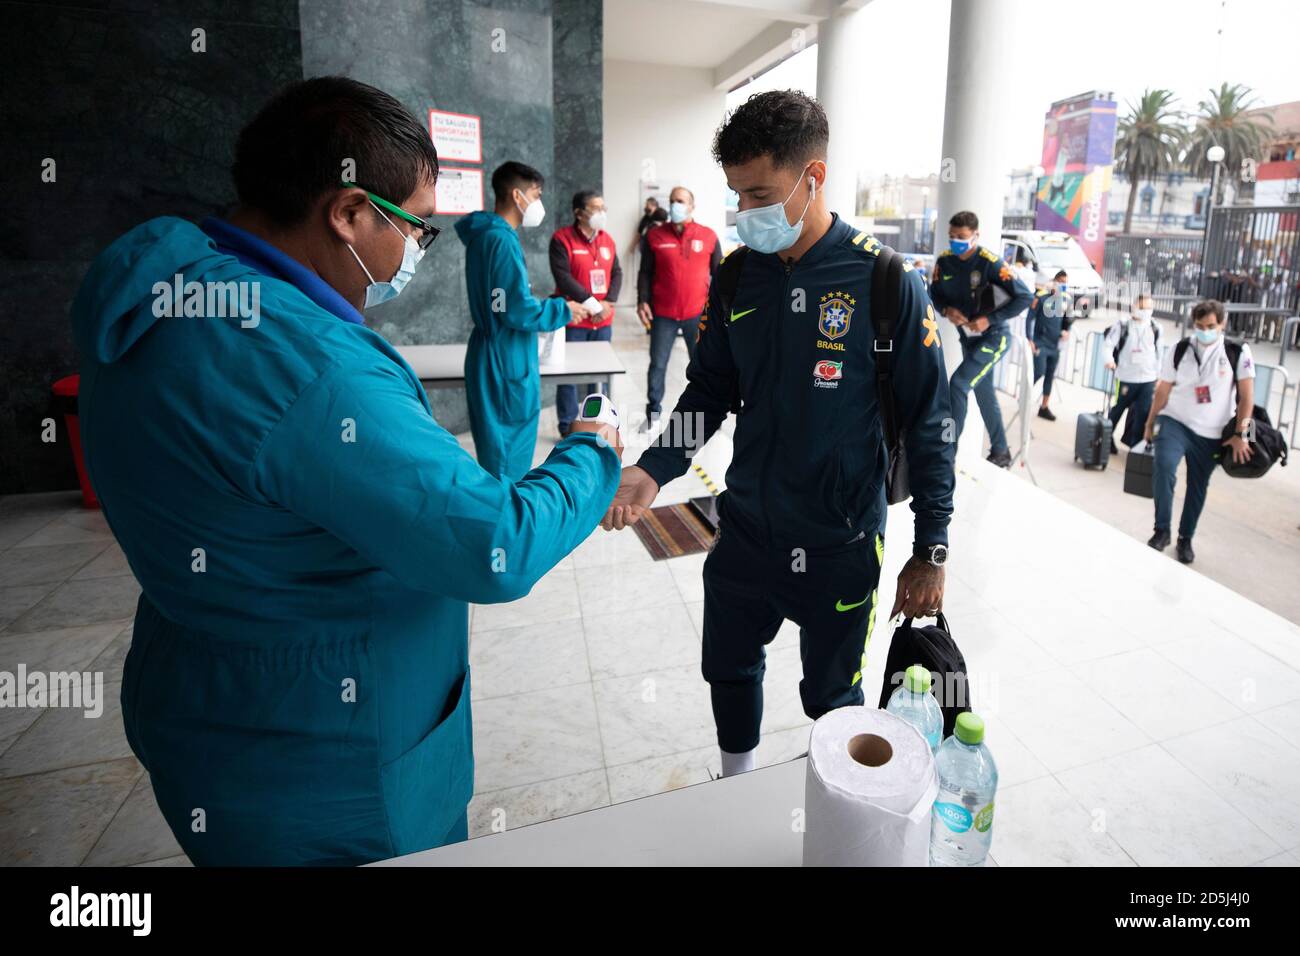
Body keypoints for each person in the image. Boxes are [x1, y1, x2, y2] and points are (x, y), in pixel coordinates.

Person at [68, 77, 622, 866]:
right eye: (414, 229)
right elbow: (493, 544)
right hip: (325, 757)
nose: (416, 255)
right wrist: (593, 450)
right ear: (349, 212)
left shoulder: (161, 292)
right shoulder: (309, 369)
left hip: (205, 708)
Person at [602, 90, 955, 778]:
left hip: (841, 541)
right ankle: (735, 782)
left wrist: (932, 549)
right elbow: (711, 389)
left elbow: (931, 422)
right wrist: (652, 470)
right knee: (728, 666)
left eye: (758, 193)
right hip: (748, 531)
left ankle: (831, 802)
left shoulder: (885, 281)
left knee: (834, 698)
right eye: (734, 195)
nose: (742, 214)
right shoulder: (737, 277)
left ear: (812, 177)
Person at [457, 161, 586, 478]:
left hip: (497, 352)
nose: (538, 203)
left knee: (498, 454)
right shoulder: (500, 240)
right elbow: (515, 310)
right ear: (517, 195)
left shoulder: (485, 236)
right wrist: (563, 310)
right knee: (507, 462)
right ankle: (508, 523)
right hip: (505, 358)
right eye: (536, 194)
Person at [1143, 299, 1255, 564]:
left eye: (1211, 326)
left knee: (1197, 486)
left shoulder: (1237, 352)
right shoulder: (1180, 349)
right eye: (1200, 325)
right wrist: (1150, 423)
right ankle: (1161, 530)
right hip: (1176, 421)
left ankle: (1185, 539)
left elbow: (1247, 398)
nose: (1205, 330)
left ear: (1222, 324)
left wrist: (1243, 436)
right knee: (1164, 466)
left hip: (1213, 433)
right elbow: (1163, 390)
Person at [930, 211, 1032, 468]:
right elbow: (934, 293)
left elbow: (1024, 297)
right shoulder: (944, 262)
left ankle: (947, 453)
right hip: (969, 339)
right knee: (985, 395)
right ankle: (1000, 451)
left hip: (994, 338)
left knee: (958, 385)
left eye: (961, 237)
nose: (955, 241)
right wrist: (946, 311)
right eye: (952, 236)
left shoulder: (991, 262)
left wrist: (989, 320)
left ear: (976, 235)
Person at [636, 185, 722, 428]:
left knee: (701, 364)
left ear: (692, 206)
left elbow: (720, 275)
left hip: (697, 313)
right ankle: (653, 412)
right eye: (673, 200)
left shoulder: (708, 236)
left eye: (682, 201)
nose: (676, 205)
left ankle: (706, 414)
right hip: (662, 313)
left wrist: (720, 309)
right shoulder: (654, 236)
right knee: (658, 364)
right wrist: (642, 299)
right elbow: (645, 272)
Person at [550, 189, 622, 437]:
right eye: (596, 208)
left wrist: (609, 302)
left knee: (601, 375)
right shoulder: (561, 240)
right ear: (579, 213)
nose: (602, 213)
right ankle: (567, 426)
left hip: (603, 321)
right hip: (576, 321)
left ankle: (601, 424)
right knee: (568, 376)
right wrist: (594, 306)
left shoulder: (607, 240)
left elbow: (617, 273)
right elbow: (564, 278)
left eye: (604, 207)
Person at [1104, 292, 1163, 452]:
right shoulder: (1122, 325)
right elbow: (1108, 344)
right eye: (1142, 307)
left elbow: (1159, 354)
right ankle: (1106, 438)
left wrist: (1159, 376)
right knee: (1118, 409)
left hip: (1148, 379)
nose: (1146, 310)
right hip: (1125, 377)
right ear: (1134, 307)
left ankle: (1135, 448)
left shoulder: (1155, 327)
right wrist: (1109, 360)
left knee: (1142, 414)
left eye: (1149, 307)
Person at [1025, 269, 1073, 421]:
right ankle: (1024, 398)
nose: (1063, 285)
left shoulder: (1066, 300)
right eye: (1061, 282)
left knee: (1050, 376)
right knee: (1038, 372)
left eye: (1065, 283)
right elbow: (1029, 318)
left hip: (1055, 345)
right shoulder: (1040, 297)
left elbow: (1068, 320)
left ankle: (1044, 407)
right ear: (1054, 281)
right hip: (1040, 342)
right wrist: (1030, 339)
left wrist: (1066, 331)